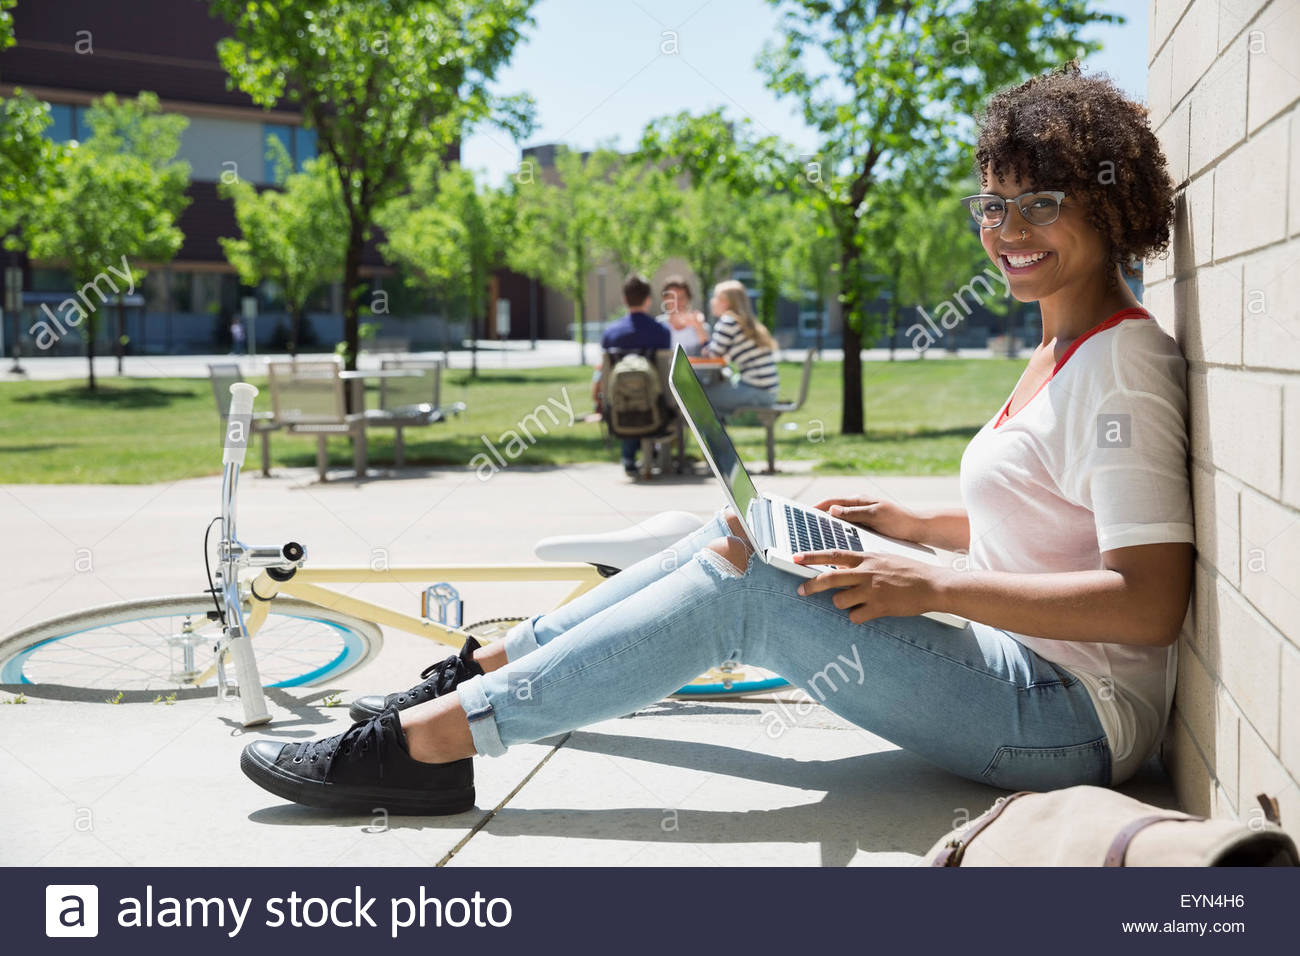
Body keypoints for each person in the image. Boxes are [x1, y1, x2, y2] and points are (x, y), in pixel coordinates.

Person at [240, 63, 1195, 816]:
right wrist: (915, 523)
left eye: (1041, 203)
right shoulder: (1062, 348)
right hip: (1012, 661)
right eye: (993, 205)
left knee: (748, 594)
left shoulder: (1121, 364)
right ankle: (479, 669)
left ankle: (430, 747)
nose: (1008, 230)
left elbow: (1150, 602)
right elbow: (1054, 518)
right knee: (741, 535)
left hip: (1072, 720)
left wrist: (933, 582)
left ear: (1109, 206)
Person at [596, 273, 671, 476]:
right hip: (657, 401)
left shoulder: (610, 334)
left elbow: (602, 373)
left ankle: (628, 458)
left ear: (624, 299)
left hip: (620, 403)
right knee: (646, 395)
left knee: (627, 396)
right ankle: (656, 453)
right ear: (648, 300)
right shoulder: (661, 332)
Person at [700, 280, 779, 419]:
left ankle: (715, 436)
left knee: (699, 395)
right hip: (767, 391)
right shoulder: (745, 322)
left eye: (715, 297)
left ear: (725, 302)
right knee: (714, 392)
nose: (712, 301)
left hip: (757, 392)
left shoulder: (728, 321)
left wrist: (698, 328)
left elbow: (712, 357)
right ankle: (720, 429)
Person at [656, 276, 710, 356]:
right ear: (665, 299)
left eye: (681, 298)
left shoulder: (702, 326)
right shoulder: (657, 325)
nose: (677, 302)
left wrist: (699, 328)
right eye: (672, 298)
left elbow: (709, 356)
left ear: (688, 299)